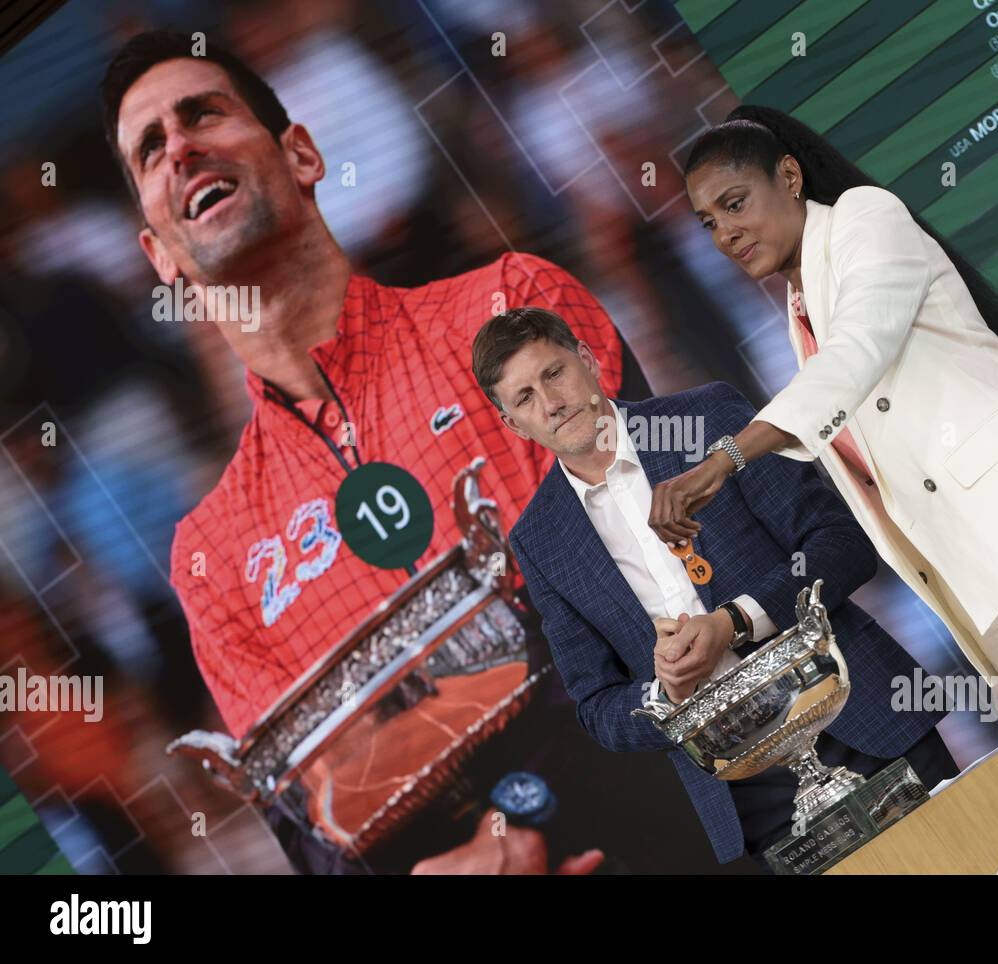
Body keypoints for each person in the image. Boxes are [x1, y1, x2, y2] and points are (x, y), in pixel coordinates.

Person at [101, 30, 656, 874]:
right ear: (161, 258)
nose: (179, 146)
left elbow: (653, 578)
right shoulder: (212, 558)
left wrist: (520, 826)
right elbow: (319, 827)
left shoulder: (510, 310)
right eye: (151, 149)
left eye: (203, 113)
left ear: (303, 154)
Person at [648, 105, 998, 726]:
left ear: (789, 177)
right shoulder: (799, 309)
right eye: (708, 222)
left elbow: (857, 353)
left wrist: (726, 458)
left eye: (735, 204)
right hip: (993, 599)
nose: (725, 234)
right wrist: (984, 656)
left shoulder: (866, 217)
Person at [472, 306, 958, 866]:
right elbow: (596, 706)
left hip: (854, 712)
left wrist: (736, 621)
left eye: (553, 373)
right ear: (513, 423)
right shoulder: (540, 539)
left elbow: (839, 545)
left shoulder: (705, 419)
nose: (550, 403)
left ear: (587, 360)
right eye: (525, 398)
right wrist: (666, 696)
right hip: (747, 794)